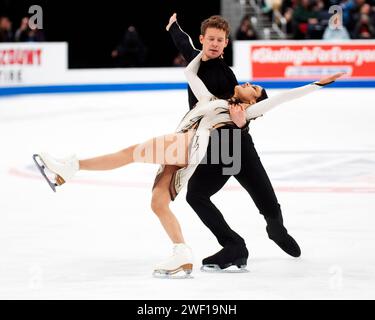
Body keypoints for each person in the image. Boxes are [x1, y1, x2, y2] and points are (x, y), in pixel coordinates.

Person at [33, 49, 343, 275]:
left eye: (254, 88)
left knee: (129, 153)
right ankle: (181, 252)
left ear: (253, 102)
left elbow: (282, 98)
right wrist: (201, 54)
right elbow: (189, 74)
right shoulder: (211, 99)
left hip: (187, 145)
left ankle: (68, 168)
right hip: (186, 148)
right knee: (158, 203)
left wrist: (319, 84)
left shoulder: (244, 112)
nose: (250, 84)